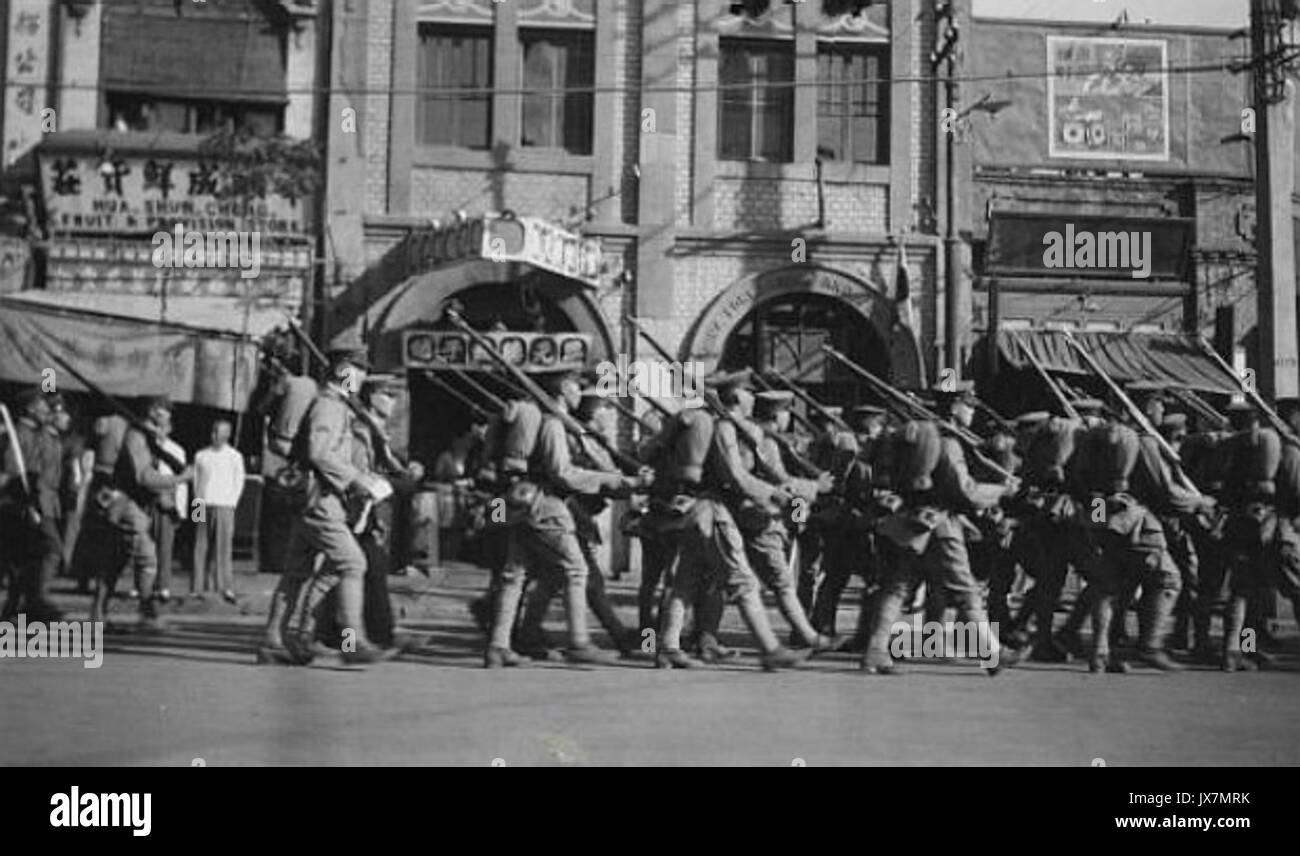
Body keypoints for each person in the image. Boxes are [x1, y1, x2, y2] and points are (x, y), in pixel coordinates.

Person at [483, 371, 647, 667]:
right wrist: (622, 483)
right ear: (562, 388)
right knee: (576, 570)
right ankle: (579, 643)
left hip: (520, 503)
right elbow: (563, 473)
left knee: (517, 574)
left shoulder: (546, 422)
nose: (579, 390)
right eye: (575, 385)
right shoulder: (553, 424)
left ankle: (500, 644)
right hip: (547, 506)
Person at [862, 381, 1020, 676]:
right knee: (966, 589)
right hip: (941, 524)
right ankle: (992, 652)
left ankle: (876, 650)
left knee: (898, 586)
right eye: (969, 406)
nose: (972, 412)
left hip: (910, 521)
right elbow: (966, 490)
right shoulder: (947, 442)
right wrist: (1001, 491)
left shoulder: (917, 435)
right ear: (957, 405)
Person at [277, 347, 398, 666]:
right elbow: (320, 453)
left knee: (300, 573)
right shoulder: (330, 406)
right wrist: (359, 482)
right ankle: (351, 640)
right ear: (344, 371)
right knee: (353, 563)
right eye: (357, 371)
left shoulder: (338, 405)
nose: (360, 378)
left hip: (320, 500)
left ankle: (282, 638)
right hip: (323, 499)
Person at [0, 389, 65, 622]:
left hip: (40, 501)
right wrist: (27, 503)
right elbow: (13, 471)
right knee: (49, 549)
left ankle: (15, 610)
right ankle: (37, 600)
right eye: (43, 406)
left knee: (24, 560)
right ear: (30, 408)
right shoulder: (19, 434)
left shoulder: (37, 434)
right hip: (24, 503)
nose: (47, 410)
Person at [192, 419, 245, 603]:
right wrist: (196, 509)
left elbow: (239, 482)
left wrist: (231, 503)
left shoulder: (234, 456)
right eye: (213, 431)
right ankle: (198, 586)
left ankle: (224, 586)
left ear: (227, 435)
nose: (214, 435)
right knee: (200, 546)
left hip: (224, 506)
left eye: (219, 432)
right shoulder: (201, 455)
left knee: (223, 547)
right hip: (203, 504)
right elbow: (196, 483)